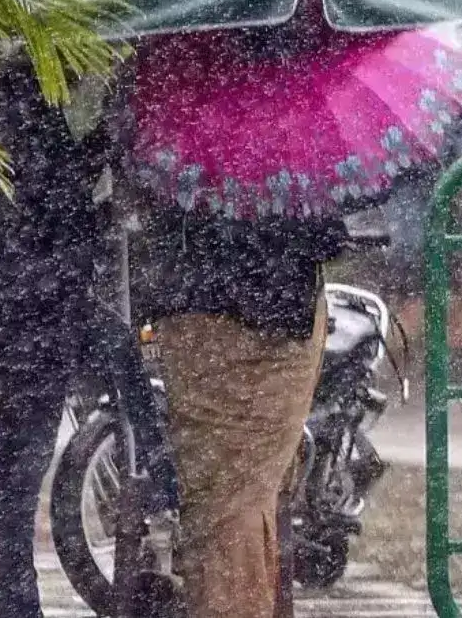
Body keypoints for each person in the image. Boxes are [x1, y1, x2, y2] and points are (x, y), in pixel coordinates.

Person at [129, 202, 346, 618]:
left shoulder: (182, 153)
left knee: (213, 493)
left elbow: (153, 221)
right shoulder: (291, 159)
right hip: (277, 326)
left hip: (191, 322)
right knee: (248, 493)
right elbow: (326, 238)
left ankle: (221, 601)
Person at [0, 57, 111, 618]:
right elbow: (49, 218)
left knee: (11, 489)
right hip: (29, 326)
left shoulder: (17, 113)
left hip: (16, 322)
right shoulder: (27, 117)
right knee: (13, 484)